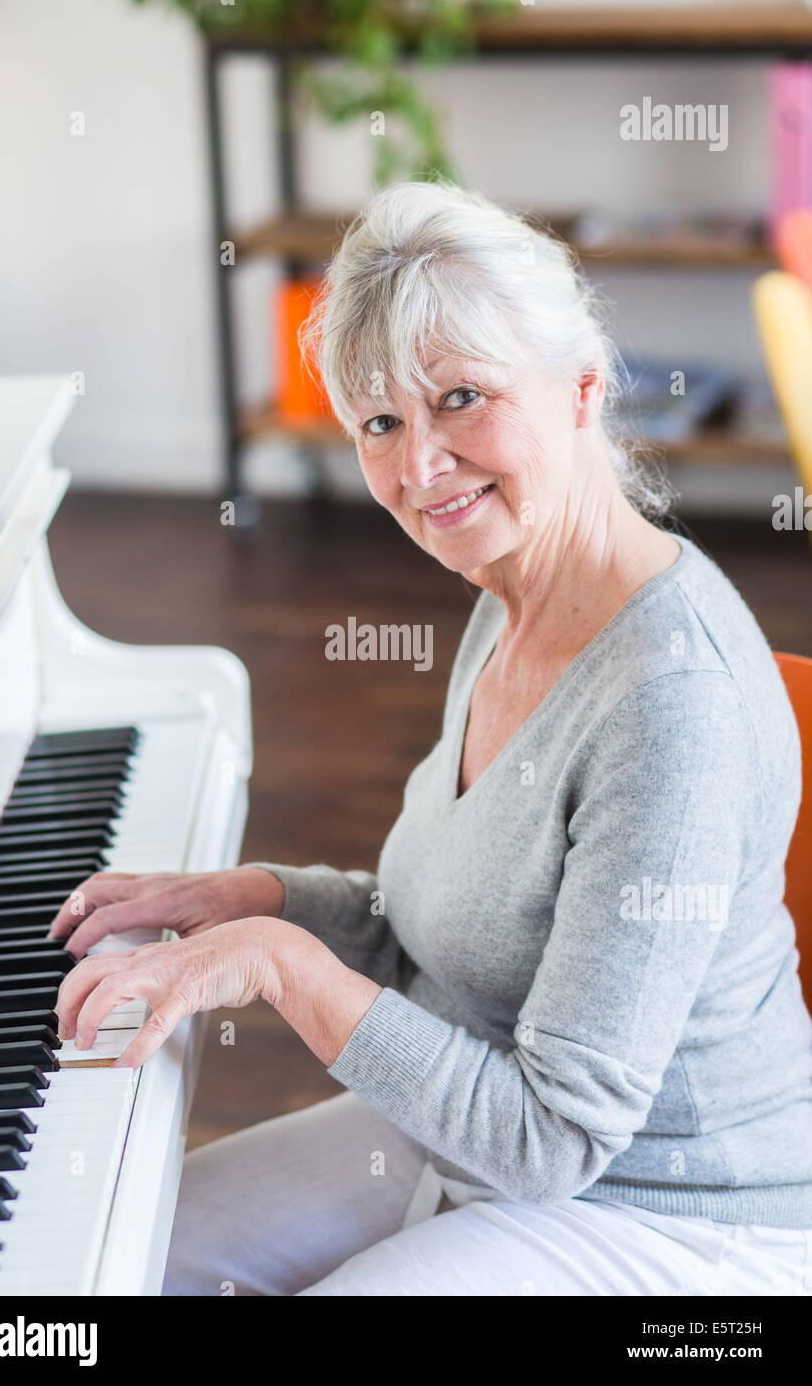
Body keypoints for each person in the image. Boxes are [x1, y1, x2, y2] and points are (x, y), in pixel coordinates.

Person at [52, 181, 812, 1296]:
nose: (417, 468)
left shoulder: (671, 706)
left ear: (582, 388)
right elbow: (457, 928)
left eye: (461, 398)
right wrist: (265, 899)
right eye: (380, 423)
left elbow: (554, 1140)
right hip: (481, 1110)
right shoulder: (509, 593)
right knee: (109, 1271)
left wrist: (281, 965)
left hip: (665, 1214)